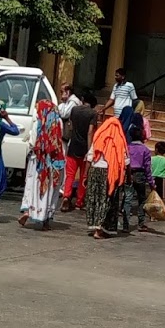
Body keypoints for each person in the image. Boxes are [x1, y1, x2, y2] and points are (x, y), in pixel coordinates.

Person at [18, 100, 66, 230]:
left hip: (38, 162)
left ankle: (29, 210)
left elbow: (33, 143)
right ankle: (46, 219)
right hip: (55, 161)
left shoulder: (38, 122)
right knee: (51, 189)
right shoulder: (58, 122)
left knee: (33, 186)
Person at [84, 112, 129, 240]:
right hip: (109, 174)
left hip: (95, 171)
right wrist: (128, 177)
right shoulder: (119, 141)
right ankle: (100, 230)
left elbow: (90, 158)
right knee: (106, 201)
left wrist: (86, 175)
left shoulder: (98, 138)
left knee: (94, 199)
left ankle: (95, 225)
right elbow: (125, 162)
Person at [61, 91, 96, 212]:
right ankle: (79, 202)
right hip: (84, 148)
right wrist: (89, 150)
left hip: (73, 146)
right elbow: (90, 132)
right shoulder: (92, 113)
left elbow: (70, 126)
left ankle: (66, 196)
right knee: (83, 176)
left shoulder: (74, 110)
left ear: (82, 99)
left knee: (70, 175)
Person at [122, 120, 153, 233]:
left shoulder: (127, 148)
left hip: (129, 174)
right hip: (140, 174)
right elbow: (148, 168)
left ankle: (125, 225)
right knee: (141, 199)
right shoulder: (145, 150)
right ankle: (141, 223)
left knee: (127, 199)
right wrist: (151, 183)